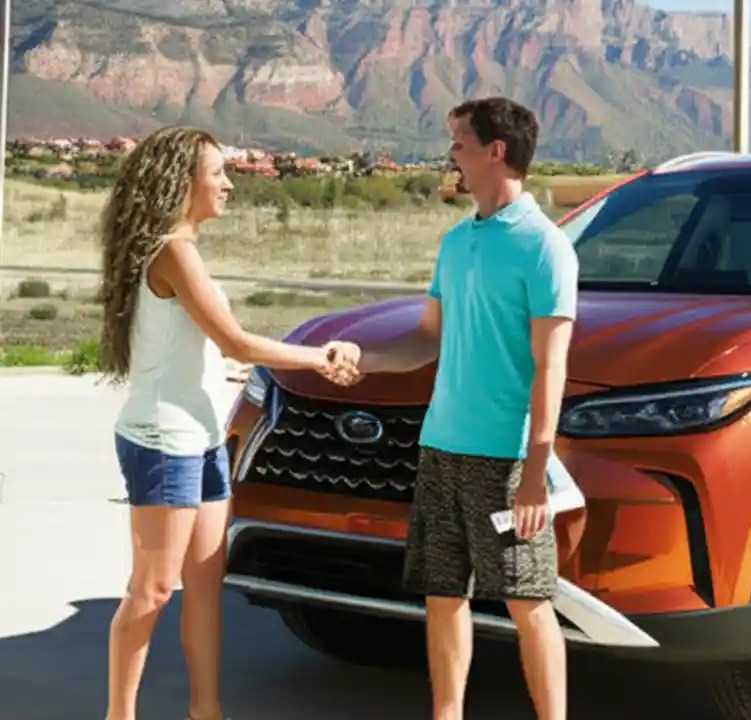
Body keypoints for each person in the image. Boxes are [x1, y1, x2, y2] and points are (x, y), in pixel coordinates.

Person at [96, 125, 360, 720]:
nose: (228, 184)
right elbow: (235, 340)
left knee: (204, 585)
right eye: (217, 173)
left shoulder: (180, 250)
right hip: (164, 441)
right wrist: (321, 356)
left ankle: (206, 712)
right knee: (154, 589)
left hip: (206, 437)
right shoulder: (173, 251)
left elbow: (203, 349)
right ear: (181, 181)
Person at [352, 97, 578, 720]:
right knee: (442, 594)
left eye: (458, 141)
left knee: (528, 599)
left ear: (495, 151)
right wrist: (360, 358)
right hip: (441, 448)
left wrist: (536, 469)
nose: (450, 153)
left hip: (505, 462)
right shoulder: (455, 244)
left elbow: (550, 367)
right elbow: (427, 338)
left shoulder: (545, 248)